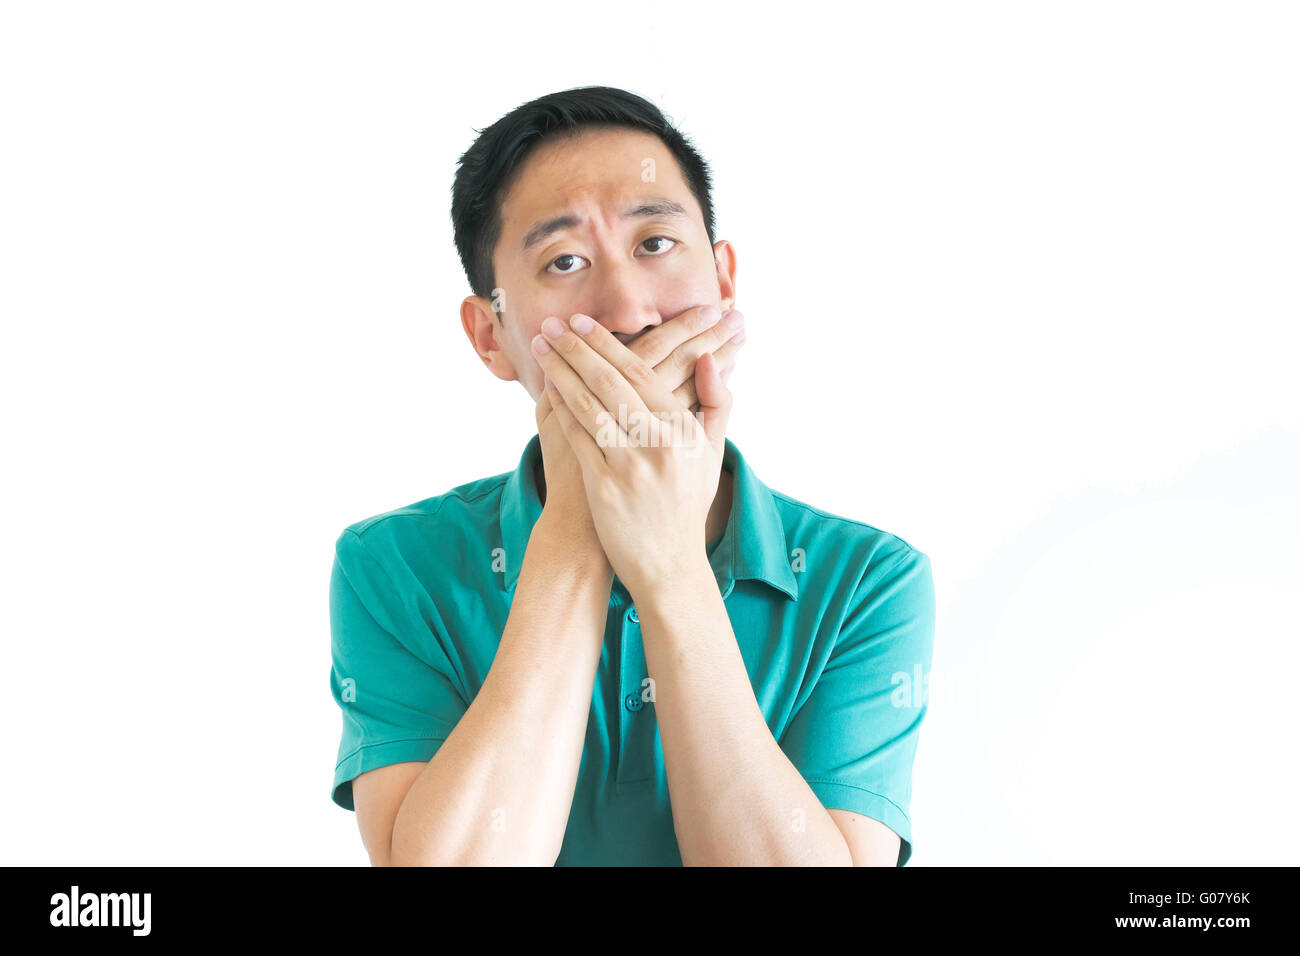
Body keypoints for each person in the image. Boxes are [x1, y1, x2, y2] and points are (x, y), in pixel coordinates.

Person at [328, 86, 935, 866]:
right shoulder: (396, 567)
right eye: (566, 261)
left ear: (723, 282)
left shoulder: (867, 583)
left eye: (655, 243)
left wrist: (671, 562)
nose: (628, 310)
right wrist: (580, 521)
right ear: (491, 337)